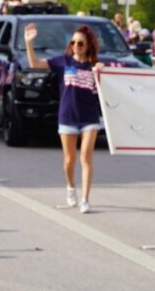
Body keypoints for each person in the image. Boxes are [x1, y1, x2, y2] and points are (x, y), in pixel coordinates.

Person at [25, 23, 102, 213]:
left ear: (88, 45)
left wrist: (102, 70)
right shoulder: (63, 62)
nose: (76, 46)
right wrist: (29, 44)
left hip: (89, 117)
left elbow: (114, 82)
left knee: (86, 157)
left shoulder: (94, 66)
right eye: (73, 42)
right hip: (67, 117)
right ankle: (70, 187)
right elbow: (35, 64)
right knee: (69, 160)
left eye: (81, 43)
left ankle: (85, 199)